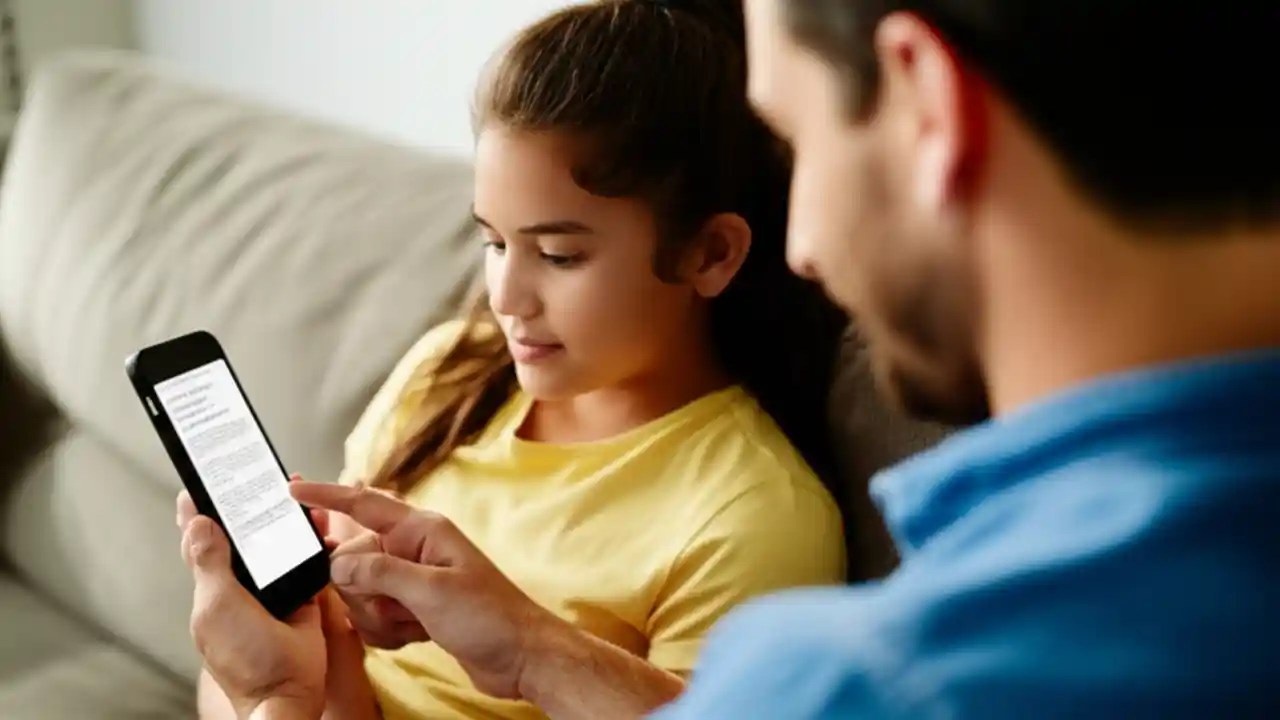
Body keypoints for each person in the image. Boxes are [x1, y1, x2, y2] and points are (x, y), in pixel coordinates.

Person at [180, 0, 1280, 718]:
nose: (801, 244)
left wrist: (282, 704)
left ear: (925, 107)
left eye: (797, 145)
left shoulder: (856, 674)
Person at [190, 1, 848, 719]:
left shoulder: (747, 518)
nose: (505, 297)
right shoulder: (446, 372)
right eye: (495, 243)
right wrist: (297, 649)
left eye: (559, 255)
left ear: (711, 253)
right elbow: (313, 663)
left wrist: (278, 698)